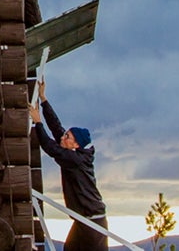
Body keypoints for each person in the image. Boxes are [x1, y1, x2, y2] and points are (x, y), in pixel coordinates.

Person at [29, 80, 108, 251]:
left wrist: (38, 122)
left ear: (76, 145)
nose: (63, 137)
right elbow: (57, 128)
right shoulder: (74, 153)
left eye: (68, 137)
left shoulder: (75, 160)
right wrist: (43, 99)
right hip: (84, 220)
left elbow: (50, 147)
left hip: (93, 223)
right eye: (66, 134)